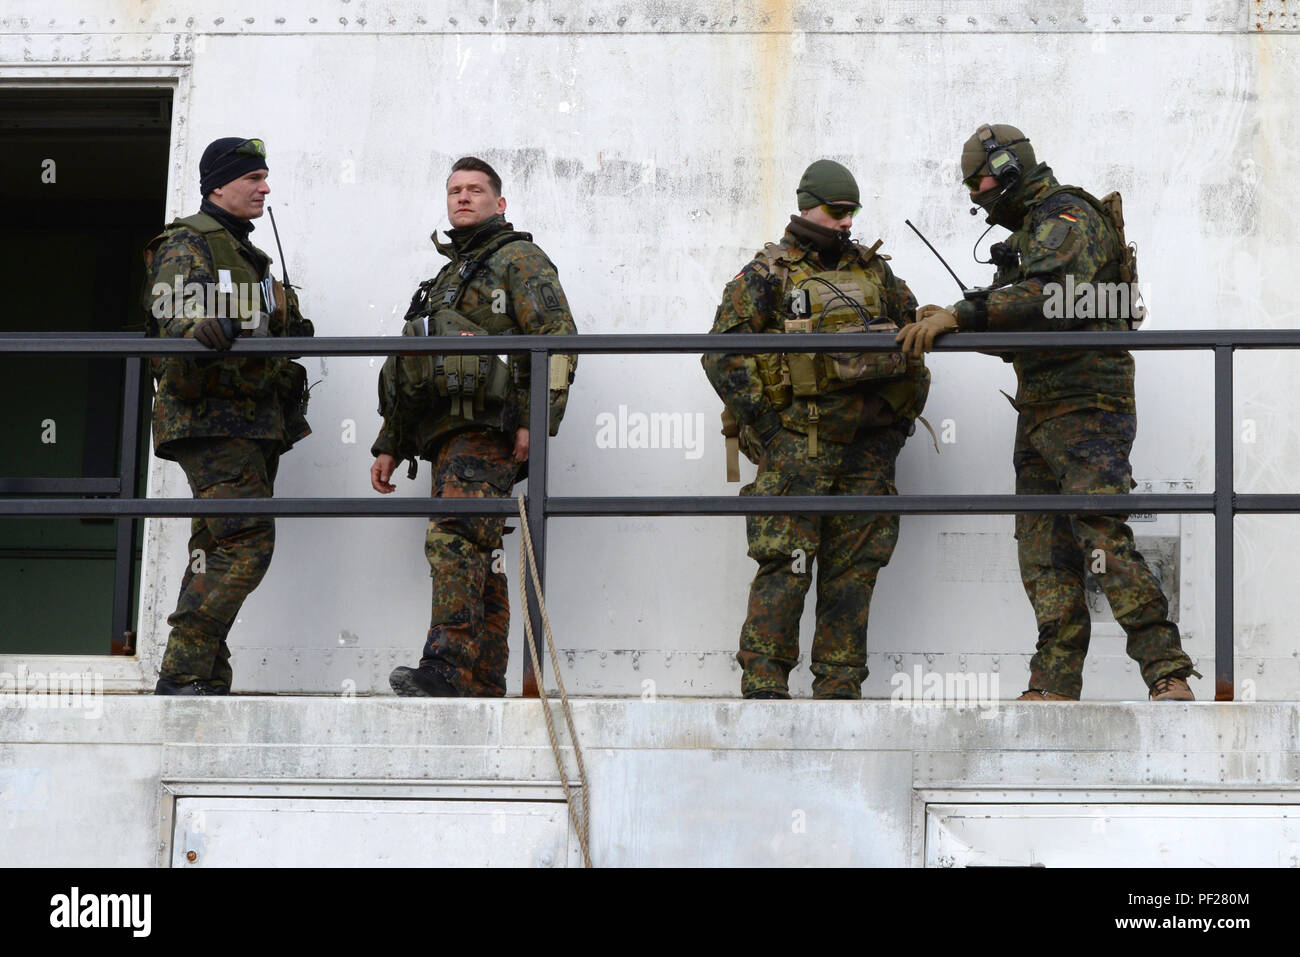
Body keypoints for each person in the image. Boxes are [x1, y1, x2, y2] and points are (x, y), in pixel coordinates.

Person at [897, 123, 1198, 701]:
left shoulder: (1065, 217)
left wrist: (963, 314)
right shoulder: (1033, 231)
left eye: (978, 180)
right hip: (1040, 403)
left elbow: (1051, 295)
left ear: (1009, 168)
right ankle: (1054, 682)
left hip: (1086, 403)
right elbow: (1022, 329)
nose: (974, 194)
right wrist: (958, 319)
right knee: (1042, 549)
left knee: (1100, 536)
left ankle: (1167, 671)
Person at [703, 159, 930, 700]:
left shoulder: (876, 273)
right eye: (836, 211)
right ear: (807, 205)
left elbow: (913, 339)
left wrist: (898, 424)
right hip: (798, 446)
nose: (846, 223)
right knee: (786, 563)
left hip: (868, 449)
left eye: (852, 212)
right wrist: (770, 429)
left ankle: (840, 684)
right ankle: (764, 684)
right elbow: (722, 354)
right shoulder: (768, 273)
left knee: (855, 570)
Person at [371, 156, 577, 698]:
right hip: (445, 436)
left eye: (476, 190)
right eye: (454, 191)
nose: (463, 198)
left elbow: (557, 342)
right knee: (481, 549)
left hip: (490, 430)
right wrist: (391, 443)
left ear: (499, 203)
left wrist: (536, 420)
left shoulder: (518, 260)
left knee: (456, 536)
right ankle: (482, 679)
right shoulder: (444, 279)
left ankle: (444, 666)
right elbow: (414, 366)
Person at [143, 136, 314, 695]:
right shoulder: (188, 240)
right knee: (247, 542)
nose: (265, 189)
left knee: (215, 548)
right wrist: (200, 327)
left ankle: (202, 674)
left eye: (265, 178)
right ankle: (185, 669)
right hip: (211, 419)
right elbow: (174, 307)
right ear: (218, 185)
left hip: (253, 422)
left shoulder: (250, 257)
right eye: (254, 179)